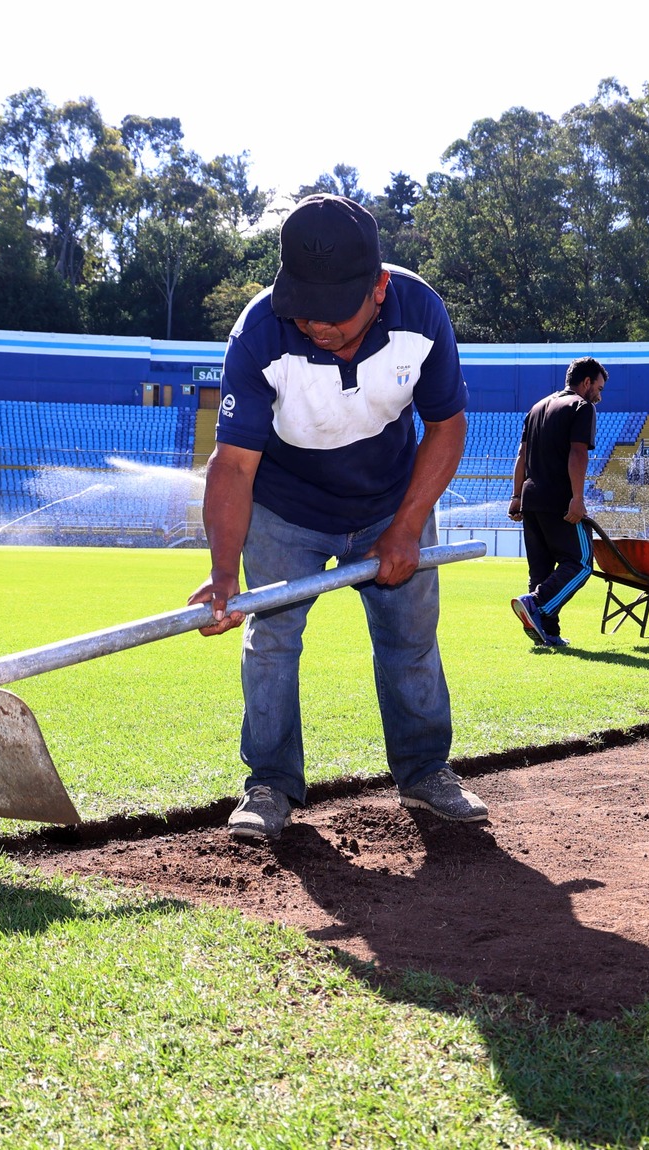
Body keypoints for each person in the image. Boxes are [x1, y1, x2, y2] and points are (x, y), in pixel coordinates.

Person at [189, 194, 487, 844]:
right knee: (270, 643)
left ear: (378, 289)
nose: (318, 326)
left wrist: (407, 525)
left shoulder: (423, 315)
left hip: (389, 501)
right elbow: (233, 465)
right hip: (285, 506)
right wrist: (220, 573)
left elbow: (446, 427)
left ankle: (426, 773)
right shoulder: (260, 333)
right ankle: (269, 784)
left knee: (410, 642)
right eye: (306, 309)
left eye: (335, 315)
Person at [507, 357, 607, 647]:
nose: (599, 395)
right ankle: (536, 606)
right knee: (581, 563)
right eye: (598, 388)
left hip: (531, 499)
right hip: (559, 501)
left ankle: (546, 632)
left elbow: (521, 456)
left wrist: (516, 497)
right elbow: (578, 454)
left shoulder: (537, 407)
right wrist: (577, 498)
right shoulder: (581, 407)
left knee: (540, 571)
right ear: (586, 382)